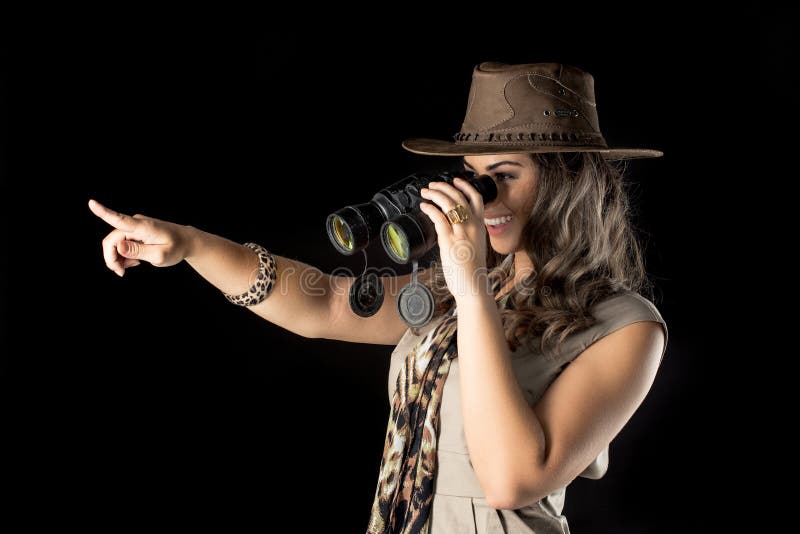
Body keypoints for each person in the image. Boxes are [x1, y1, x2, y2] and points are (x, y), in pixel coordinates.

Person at [89, 61, 668, 533]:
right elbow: (327, 303)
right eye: (470, 176)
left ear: (568, 180)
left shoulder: (625, 328)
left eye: (504, 175)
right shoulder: (469, 285)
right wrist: (191, 245)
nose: (479, 198)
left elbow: (511, 480)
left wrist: (469, 288)